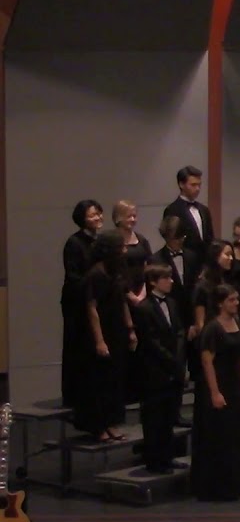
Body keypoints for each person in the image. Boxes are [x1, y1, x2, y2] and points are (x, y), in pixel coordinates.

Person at [191, 284, 240, 501]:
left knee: (234, 436)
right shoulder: (212, 328)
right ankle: (216, 487)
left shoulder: (237, 322)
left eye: (236, 299)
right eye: (231, 300)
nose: (236, 303)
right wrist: (215, 392)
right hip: (218, 385)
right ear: (220, 303)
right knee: (218, 437)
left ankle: (235, 484)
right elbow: (207, 362)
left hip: (234, 385)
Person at [79, 230, 135, 441]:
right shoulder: (95, 275)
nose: (124, 250)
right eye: (120, 247)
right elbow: (91, 309)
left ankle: (112, 422)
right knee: (100, 380)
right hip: (102, 332)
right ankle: (99, 425)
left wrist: (130, 329)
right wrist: (99, 340)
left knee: (115, 378)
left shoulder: (117, 272)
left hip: (117, 330)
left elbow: (122, 301)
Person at [133, 264, 185, 474]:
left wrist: (179, 359)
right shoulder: (144, 308)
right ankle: (154, 460)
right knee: (154, 417)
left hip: (173, 368)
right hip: (155, 370)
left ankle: (168, 456)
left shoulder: (172, 303)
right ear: (153, 281)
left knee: (168, 416)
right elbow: (150, 341)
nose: (171, 281)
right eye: (166, 278)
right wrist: (171, 360)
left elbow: (180, 331)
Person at [62, 199, 104, 411]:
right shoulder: (74, 243)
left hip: (97, 300)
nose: (97, 218)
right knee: (77, 346)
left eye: (98, 213)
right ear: (82, 219)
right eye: (92, 215)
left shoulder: (101, 241)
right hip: (77, 302)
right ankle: (74, 396)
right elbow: (73, 276)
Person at [151, 215, 201, 348]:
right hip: (169, 321)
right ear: (166, 237)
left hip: (190, 318)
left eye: (182, 237)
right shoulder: (156, 260)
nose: (180, 241)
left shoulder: (192, 256)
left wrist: (193, 322)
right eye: (176, 238)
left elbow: (194, 291)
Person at [190, 240, 233, 389]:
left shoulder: (225, 281)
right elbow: (200, 323)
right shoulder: (203, 286)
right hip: (212, 343)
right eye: (227, 255)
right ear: (216, 257)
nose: (231, 258)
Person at [162, 165, 214, 252]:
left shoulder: (204, 209)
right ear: (181, 184)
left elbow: (210, 237)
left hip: (206, 262)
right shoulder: (172, 210)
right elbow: (171, 240)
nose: (197, 189)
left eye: (199, 185)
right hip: (185, 260)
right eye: (193, 185)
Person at [114, 200, 152, 307]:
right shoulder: (112, 240)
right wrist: (130, 295)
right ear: (118, 218)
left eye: (134, 216)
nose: (132, 219)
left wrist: (143, 293)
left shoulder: (142, 240)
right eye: (128, 216)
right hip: (119, 296)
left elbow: (149, 266)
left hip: (143, 293)